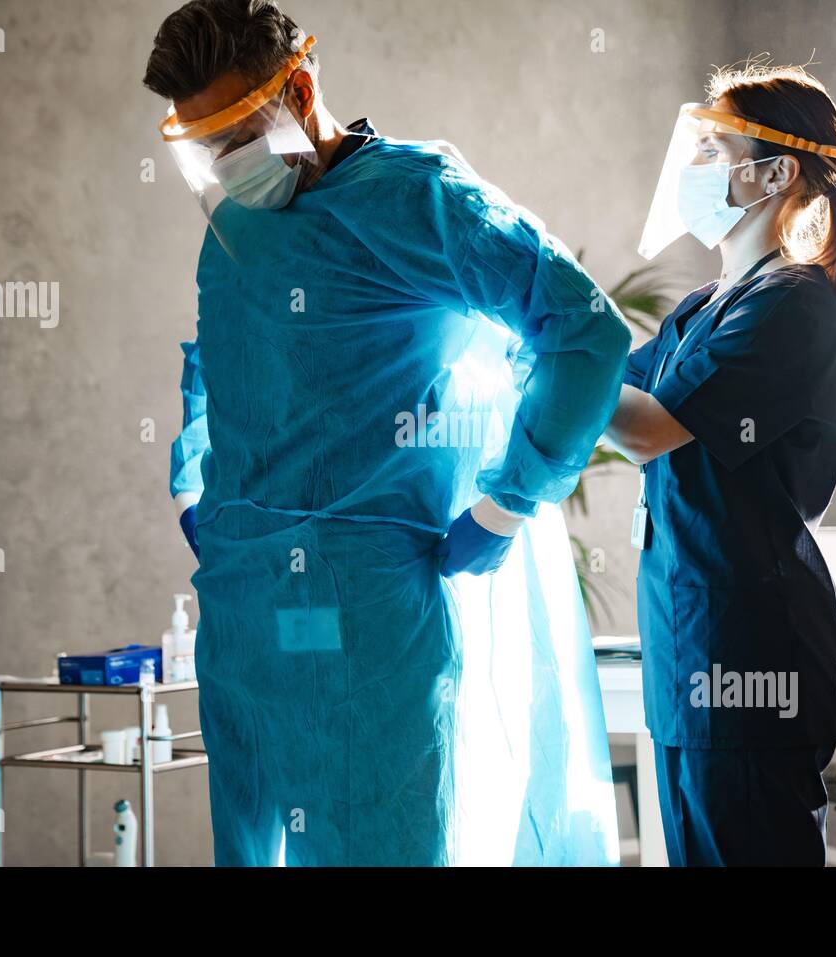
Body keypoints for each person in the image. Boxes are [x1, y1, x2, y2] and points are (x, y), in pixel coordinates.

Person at [143, 0, 630, 865]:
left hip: (370, 617)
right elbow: (213, 361)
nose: (224, 164)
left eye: (235, 135)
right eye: (204, 147)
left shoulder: (421, 200)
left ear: (299, 85)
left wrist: (507, 505)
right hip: (244, 615)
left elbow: (585, 331)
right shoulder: (235, 231)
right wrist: (194, 486)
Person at [603, 62, 836, 866]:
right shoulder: (704, 306)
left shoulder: (792, 303)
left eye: (713, 147)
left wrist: (556, 318)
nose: (693, 164)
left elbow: (643, 427)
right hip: (685, 649)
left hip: (749, 657)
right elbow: (604, 387)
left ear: (775, 172)